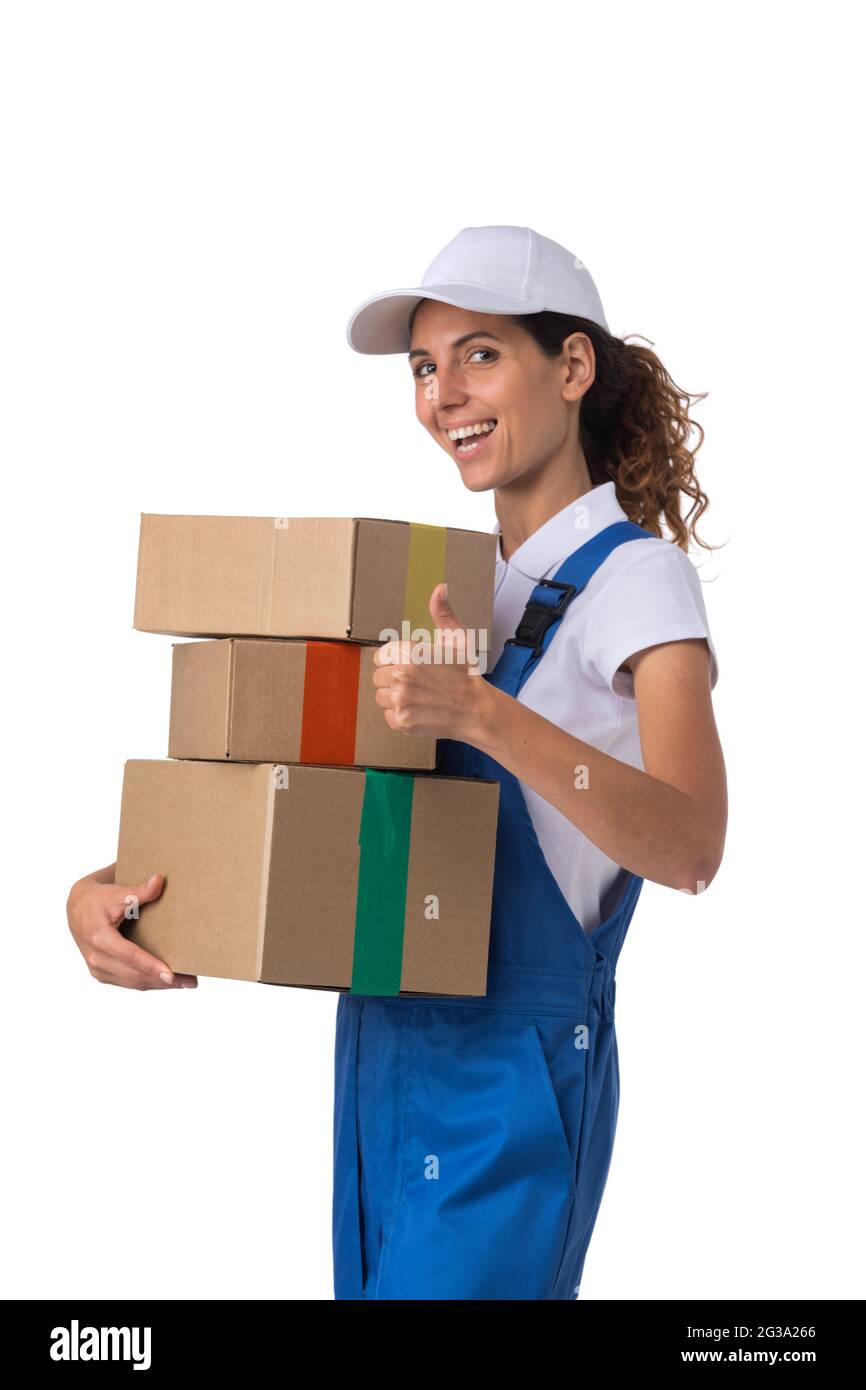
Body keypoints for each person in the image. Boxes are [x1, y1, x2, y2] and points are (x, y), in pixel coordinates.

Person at [333, 225, 727, 1299]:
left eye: (478, 353)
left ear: (570, 365)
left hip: (515, 1078)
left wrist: (484, 715)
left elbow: (691, 843)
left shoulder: (637, 581)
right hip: (386, 1054)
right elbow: (309, 804)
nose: (441, 393)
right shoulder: (447, 588)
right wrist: (128, 900)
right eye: (423, 366)